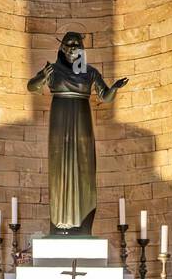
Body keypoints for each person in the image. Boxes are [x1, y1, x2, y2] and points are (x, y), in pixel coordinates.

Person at [28, 32, 128, 234]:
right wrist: (41, 77)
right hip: (60, 118)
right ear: (62, 47)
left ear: (82, 48)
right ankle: (59, 222)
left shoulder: (90, 72)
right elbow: (32, 87)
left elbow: (105, 96)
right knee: (60, 166)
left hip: (82, 117)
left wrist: (115, 88)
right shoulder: (53, 70)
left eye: (77, 44)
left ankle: (82, 223)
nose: (73, 47)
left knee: (84, 166)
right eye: (69, 43)